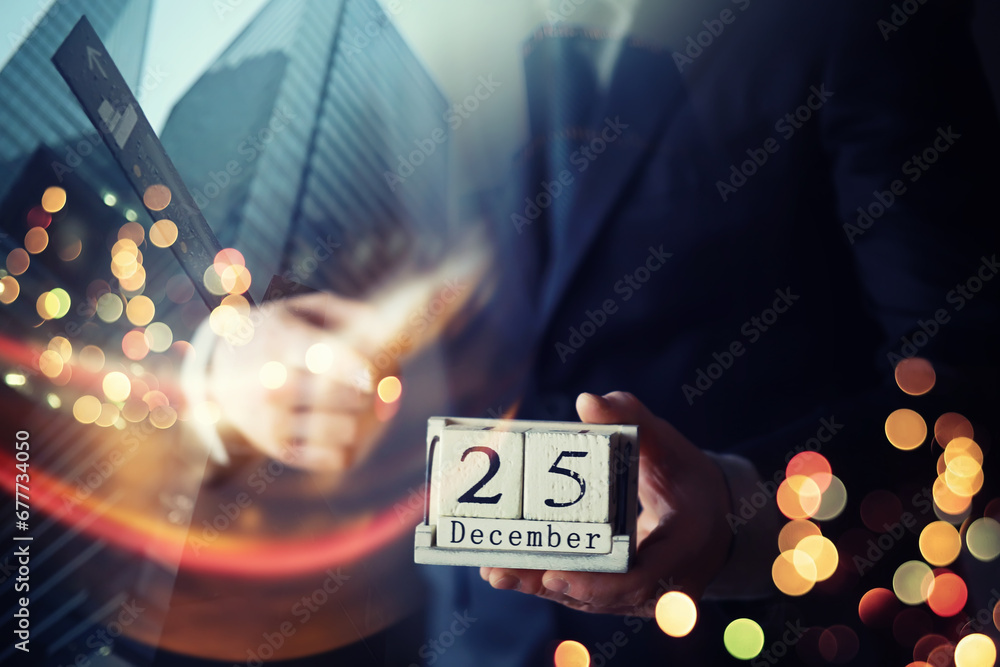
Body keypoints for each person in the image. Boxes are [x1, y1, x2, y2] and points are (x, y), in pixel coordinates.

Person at [192, 0, 1000, 664]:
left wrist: (737, 512)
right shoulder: (409, 35)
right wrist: (234, 359)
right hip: (480, 638)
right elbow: (287, 272)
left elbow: (968, 382)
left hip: (746, 637)